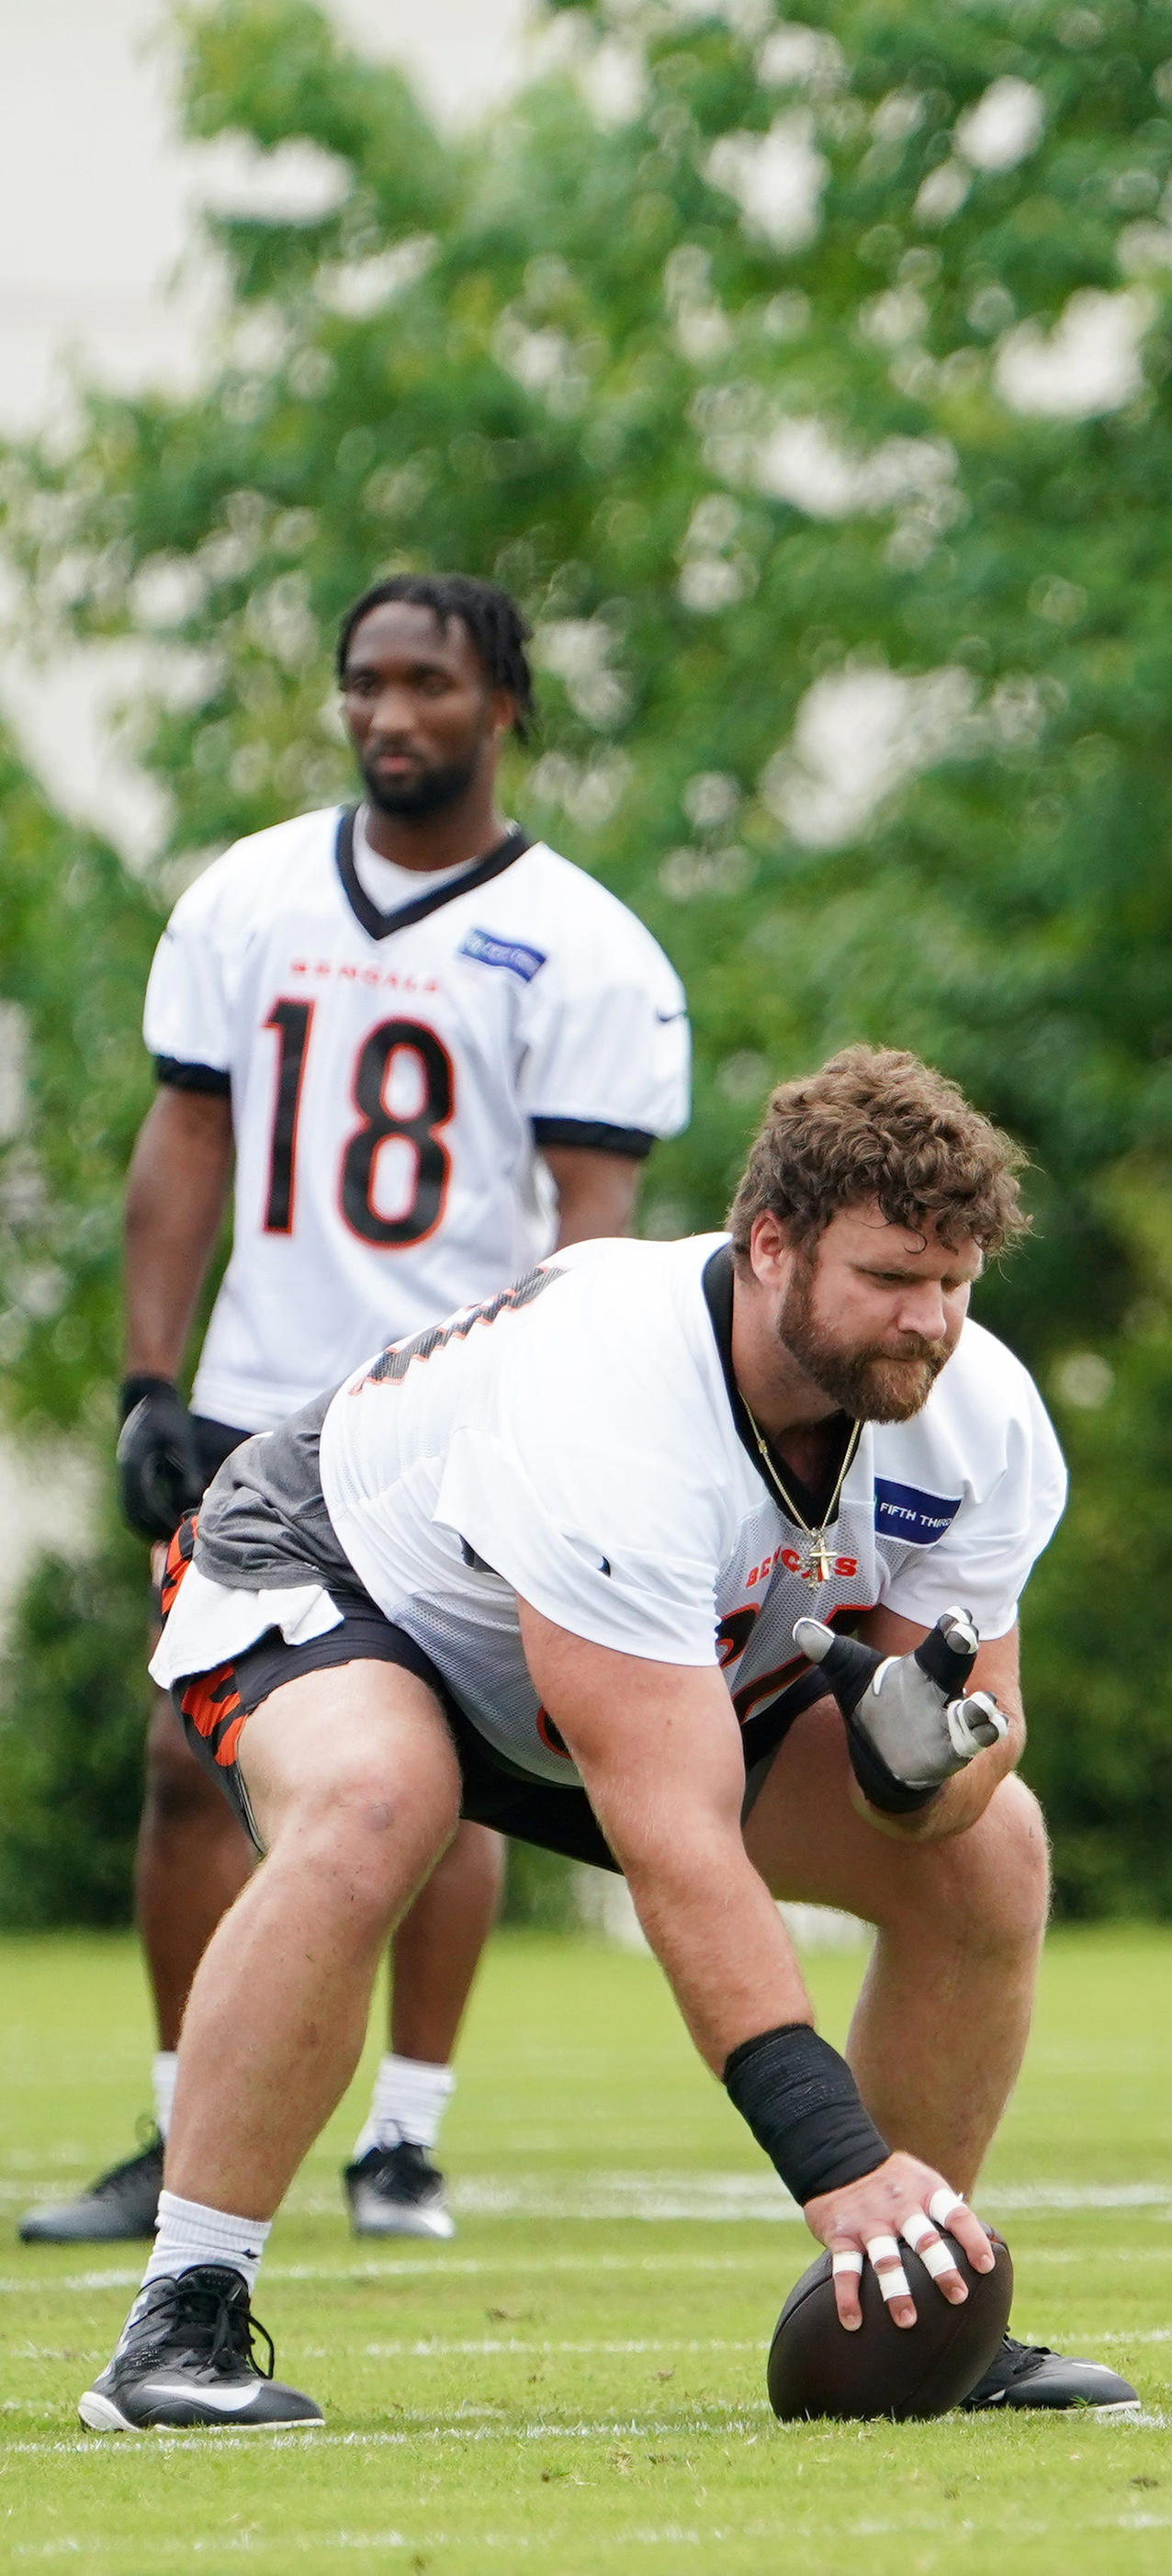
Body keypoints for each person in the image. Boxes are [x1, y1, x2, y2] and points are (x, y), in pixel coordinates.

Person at [78, 1047, 1131, 2430]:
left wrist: (924, 1766)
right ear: (769, 1246)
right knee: (384, 1797)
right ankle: (182, 2317)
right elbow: (678, 1846)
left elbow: (973, 1747)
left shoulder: (980, 1419)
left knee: (993, 1850)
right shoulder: (618, 1397)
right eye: (887, 1278)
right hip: (335, 1568)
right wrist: (836, 2163)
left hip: (630, 1670)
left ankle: (911, 2299)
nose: (926, 1323)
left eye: (952, 1282)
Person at [28, 574, 690, 2249]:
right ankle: (187, 2126)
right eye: (366, 683)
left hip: (454, 1412)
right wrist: (148, 1378)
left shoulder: (588, 940)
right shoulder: (251, 896)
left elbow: (589, 1220)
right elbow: (184, 1143)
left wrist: (549, 1417)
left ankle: (405, 2132)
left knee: (442, 1765)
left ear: (507, 706)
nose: (394, 715)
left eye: (431, 685)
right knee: (193, 1769)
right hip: (260, 1403)